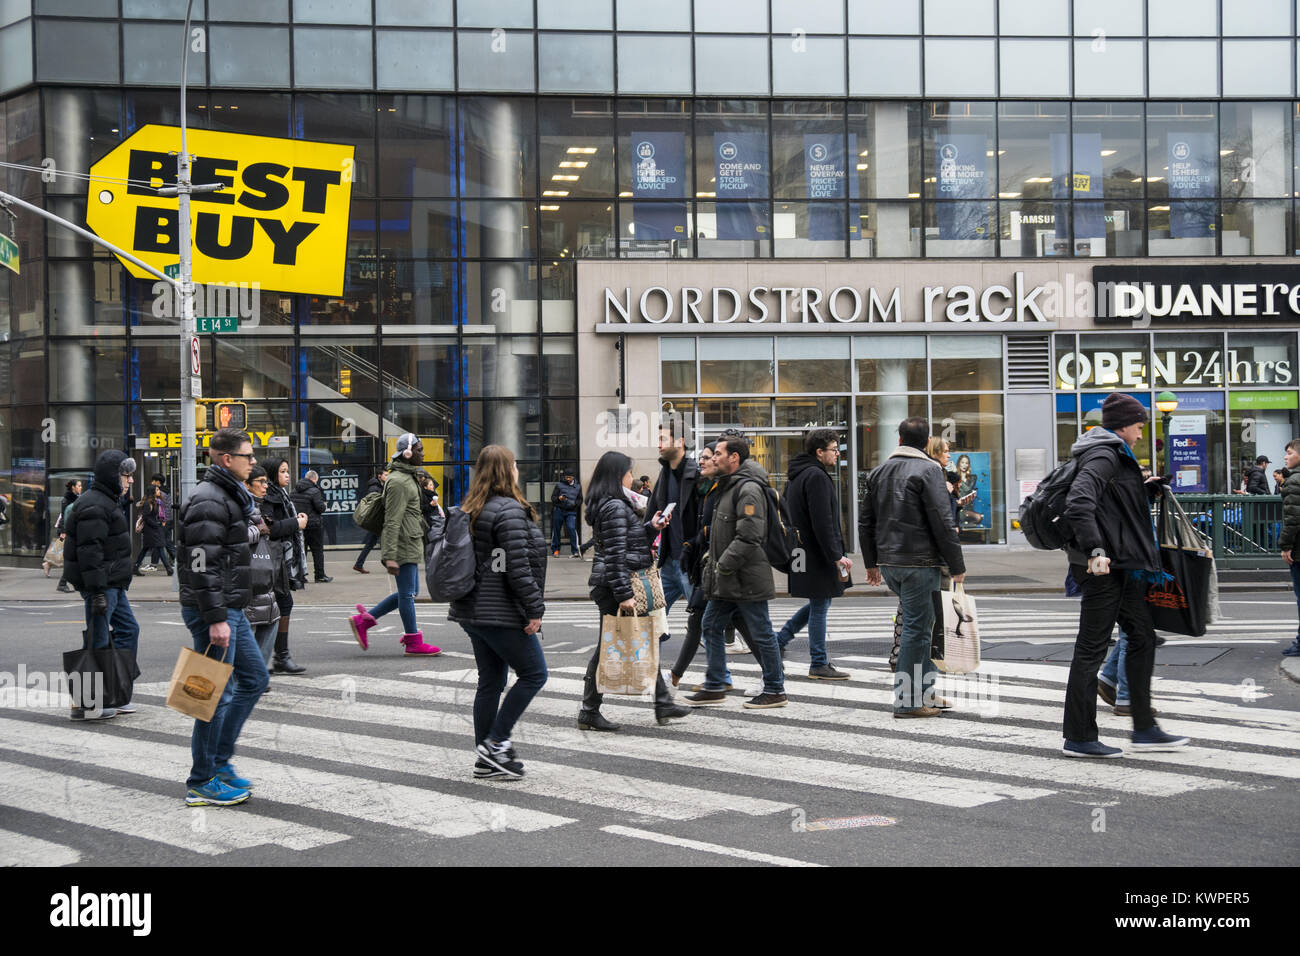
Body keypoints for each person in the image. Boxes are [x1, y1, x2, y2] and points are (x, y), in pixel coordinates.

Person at [1060, 392, 1190, 757]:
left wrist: (1144, 491)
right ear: (1124, 425)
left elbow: (1110, 506)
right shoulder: (1105, 452)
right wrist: (1095, 550)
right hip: (1104, 567)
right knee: (1091, 649)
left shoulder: (1112, 452)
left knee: (1142, 636)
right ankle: (1079, 736)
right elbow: (1080, 503)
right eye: (1137, 426)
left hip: (1118, 566)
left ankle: (1145, 729)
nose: (1139, 433)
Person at [449, 444, 550, 779]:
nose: (518, 468)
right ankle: (495, 743)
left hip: (471, 610)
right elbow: (517, 568)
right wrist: (535, 609)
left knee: (490, 681)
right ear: (508, 470)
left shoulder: (473, 507)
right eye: (515, 464)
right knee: (535, 673)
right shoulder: (509, 511)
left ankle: (486, 759)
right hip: (500, 611)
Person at [178, 427, 267, 806]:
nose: (253, 462)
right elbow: (201, 565)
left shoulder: (229, 496)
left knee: (254, 679)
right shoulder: (209, 500)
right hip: (213, 611)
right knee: (211, 692)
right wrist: (215, 618)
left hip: (229, 607)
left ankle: (218, 762)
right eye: (248, 456)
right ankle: (201, 780)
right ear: (226, 459)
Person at [859, 417, 965, 718]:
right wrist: (957, 564)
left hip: (890, 562)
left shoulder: (879, 472)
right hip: (919, 562)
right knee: (918, 632)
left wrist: (871, 563)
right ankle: (907, 700)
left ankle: (926, 692)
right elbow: (942, 522)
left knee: (925, 628)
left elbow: (865, 522)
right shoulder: (930, 470)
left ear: (900, 440)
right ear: (926, 441)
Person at [578, 451, 689, 730]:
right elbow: (615, 555)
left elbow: (629, 541)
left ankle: (661, 703)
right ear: (618, 475)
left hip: (611, 583)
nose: (632, 477)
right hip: (615, 584)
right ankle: (590, 710)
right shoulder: (615, 507)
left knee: (640, 639)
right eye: (629, 473)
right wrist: (624, 593)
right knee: (610, 647)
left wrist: (651, 527)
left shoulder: (613, 504)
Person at [684, 434, 788, 710]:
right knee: (710, 625)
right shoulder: (726, 486)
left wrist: (722, 565)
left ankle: (776, 689)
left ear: (734, 458)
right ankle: (716, 684)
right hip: (727, 578)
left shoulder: (748, 489)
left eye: (717, 453)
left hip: (745, 577)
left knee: (762, 632)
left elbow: (749, 536)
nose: (712, 457)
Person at [669, 442, 762, 688]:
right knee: (733, 621)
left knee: (703, 621)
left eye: (709, 457)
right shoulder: (707, 488)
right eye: (701, 457)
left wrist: (701, 541)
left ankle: (691, 677)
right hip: (710, 567)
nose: (702, 461)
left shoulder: (725, 489)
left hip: (721, 568)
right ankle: (761, 674)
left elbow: (732, 531)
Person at [63, 451, 140, 721]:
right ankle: (87, 701)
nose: (130, 480)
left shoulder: (107, 501)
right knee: (97, 639)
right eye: (126, 475)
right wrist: (96, 592)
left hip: (112, 584)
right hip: (102, 586)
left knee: (128, 630)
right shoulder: (95, 504)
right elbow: (89, 552)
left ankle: (115, 692)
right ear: (112, 475)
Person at [348, 434, 440, 656]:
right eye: (419, 449)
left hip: (410, 541)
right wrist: (388, 555)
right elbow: (392, 520)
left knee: (409, 591)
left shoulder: (407, 478)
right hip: (402, 544)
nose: (423, 453)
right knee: (407, 594)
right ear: (407, 453)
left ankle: (364, 621)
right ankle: (413, 642)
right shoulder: (398, 481)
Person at [776, 428, 852, 680]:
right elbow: (823, 521)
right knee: (821, 603)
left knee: (821, 601)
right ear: (819, 452)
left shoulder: (797, 476)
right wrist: (835, 555)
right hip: (817, 552)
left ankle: (780, 639)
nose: (837, 455)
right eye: (834, 450)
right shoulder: (816, 476)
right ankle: (818, 663)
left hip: (802, 551)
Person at [646, 420, 699, 618]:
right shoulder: (664, 474)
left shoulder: (695, 474)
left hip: (688, 561)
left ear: (680, 442)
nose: (658, 444)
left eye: (662, 439)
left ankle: (726, 640)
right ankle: (649, 650)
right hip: (667, 560)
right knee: (654, 619)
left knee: (701, 620)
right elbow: (651, 514)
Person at [263, 458, 309, 674]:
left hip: (279, 559)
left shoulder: (279, 494)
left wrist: (295, 520)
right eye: (283, 471)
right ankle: (278, 657)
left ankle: (276, 657)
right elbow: (269, 528)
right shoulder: (269, 496)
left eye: (287, 471)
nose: (288, 475)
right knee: (278, 605)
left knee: (278, 605)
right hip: (269, 560)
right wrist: (295, 523)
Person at [243, 466, 283, 671]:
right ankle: (252, 676)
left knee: (271, 620)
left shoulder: (256, 506)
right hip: (248, 582)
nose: (266, 486)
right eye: (261, 482)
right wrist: (258, 530)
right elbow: (232, 537)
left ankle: (256, 674)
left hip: (262, 582)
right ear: (246, 484)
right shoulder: (239, 506)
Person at [1278, 439, 1300, 658]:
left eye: (1290, 452)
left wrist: (1285, 546)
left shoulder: (1294, 482)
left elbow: (1293, 518)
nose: (1285, 456)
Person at [292, 469, 331, 583]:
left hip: (299, 524)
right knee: (317, 551)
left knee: (301, 550)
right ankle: (319, 575)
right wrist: (324, 505)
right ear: (314, 479)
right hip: (314, 525)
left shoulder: (294, 490)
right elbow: (320, 508)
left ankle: (300, 576)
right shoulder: (315, 491)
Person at [352, 468, 388, 573]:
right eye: (385, 475)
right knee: (385, 541)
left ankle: (359, 564)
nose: (387, 477)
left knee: (371, 542)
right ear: (379, 476)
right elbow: (374, 504)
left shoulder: (380, 486)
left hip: (377, 520)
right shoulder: (374, 488)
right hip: (376, 520)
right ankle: (386, 561)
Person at [133, 486, 174, 575]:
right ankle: (169, 569)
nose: (159, 491)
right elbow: (146, 517)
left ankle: (135, 567)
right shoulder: (148, 503)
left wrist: (159, 522)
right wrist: (157, 524)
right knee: (159, 547)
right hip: (151, 530)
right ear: (153, 492)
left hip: (154, 529)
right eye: (157, 490)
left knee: (149, 548)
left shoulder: (156, 502)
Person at [49, 478, 81, 588]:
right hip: (68, 531)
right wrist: (63, 532)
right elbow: (64, 517)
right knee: (70, 558)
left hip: (72, 531)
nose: (81, 488)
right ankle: (62, 583)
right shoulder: (67, 500)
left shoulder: (76, 499)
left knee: (73, 557)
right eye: (79, 486)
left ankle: (64, 582)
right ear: (73, 487)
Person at [550, 470, 582, 557]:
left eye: (570, 477)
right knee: (556, 530)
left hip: (571, 511)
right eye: (566, 477)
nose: (568, 479)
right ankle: (555, 550)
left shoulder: (578, 487)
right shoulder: (559, 485)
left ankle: (575, 551)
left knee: (571, 528)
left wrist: (575, 504)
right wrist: (559, 498)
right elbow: (553, 498)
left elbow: (580, 499)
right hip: (559, 510)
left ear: (573, 477)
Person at [150, 474, 176, 565]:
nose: (152, 482)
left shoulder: (161, 493)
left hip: (164, 521)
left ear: (158, 482)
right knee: (164, 542)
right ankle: (154, 563)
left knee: (163, 542)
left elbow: (161, 508)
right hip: (168, 519)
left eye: (153, 480)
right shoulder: (166, 491)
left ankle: (177, 560)